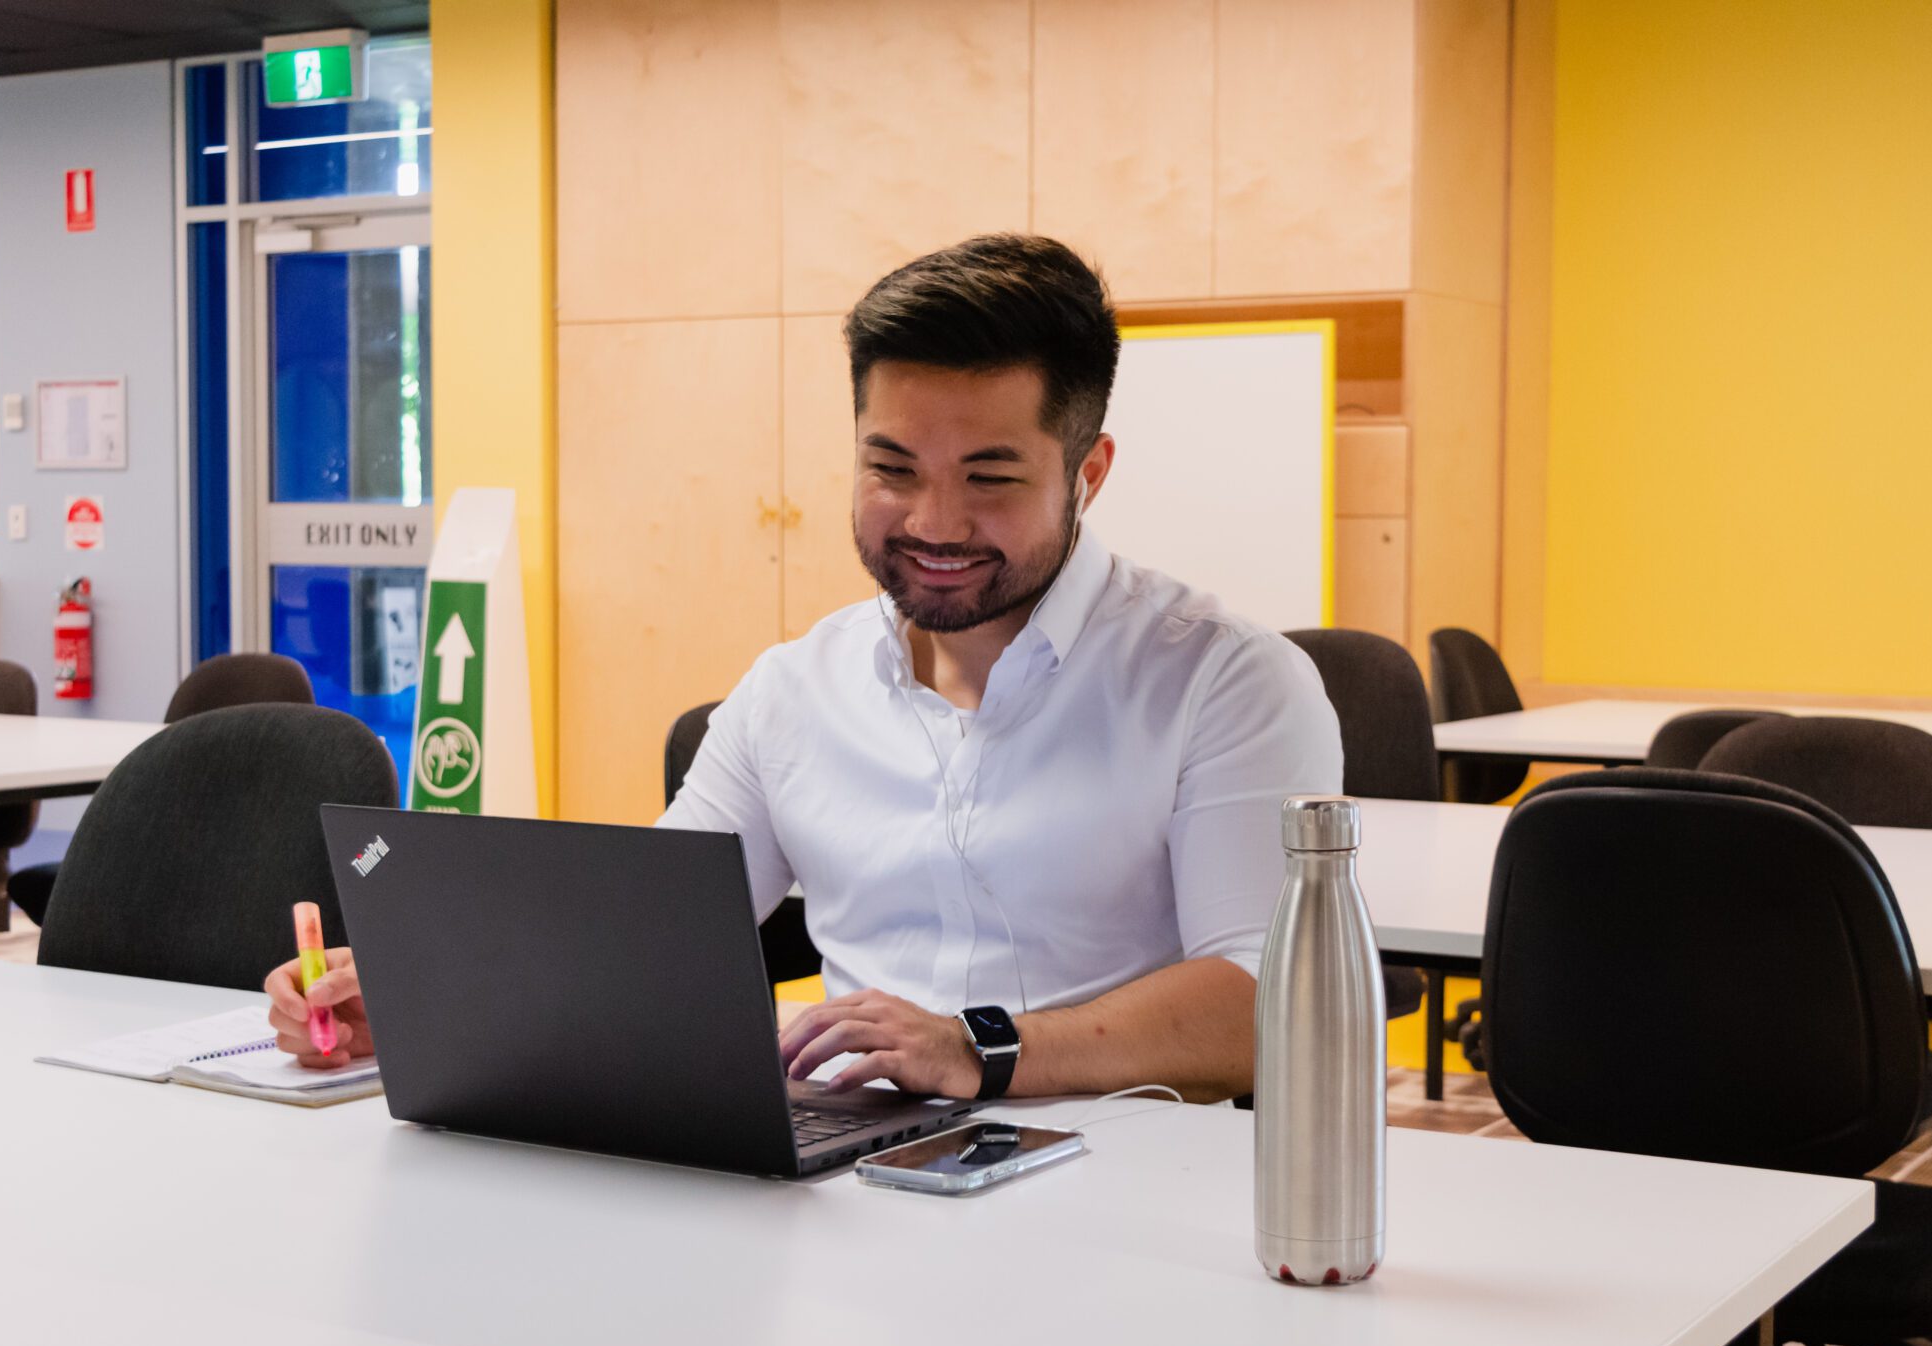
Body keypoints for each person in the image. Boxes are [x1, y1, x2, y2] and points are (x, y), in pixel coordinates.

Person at [267, 234, 1341, 1104]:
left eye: (989, 476)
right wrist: (422, 993)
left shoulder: (1223, 682)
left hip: (1126, 1190)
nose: (933, 521)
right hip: (856, 1175)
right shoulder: (793, 689)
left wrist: (981, 1049)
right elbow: (635, 927)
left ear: (1087, 471)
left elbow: (1270, 1001)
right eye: (890, 467)